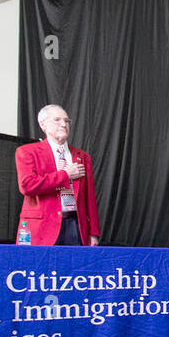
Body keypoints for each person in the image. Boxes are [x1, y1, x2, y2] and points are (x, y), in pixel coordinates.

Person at [14, 104, 100, 246]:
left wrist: (93, 233)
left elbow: (89, 197)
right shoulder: (27, 152)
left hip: (75, 226)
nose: (63, 124)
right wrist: (65, 175)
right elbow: (27, 186)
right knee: (40, 268)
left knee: (74, 268)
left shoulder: (82, 156)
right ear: (42, 124)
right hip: (41, 228)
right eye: (57, 120)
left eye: (66, 121)